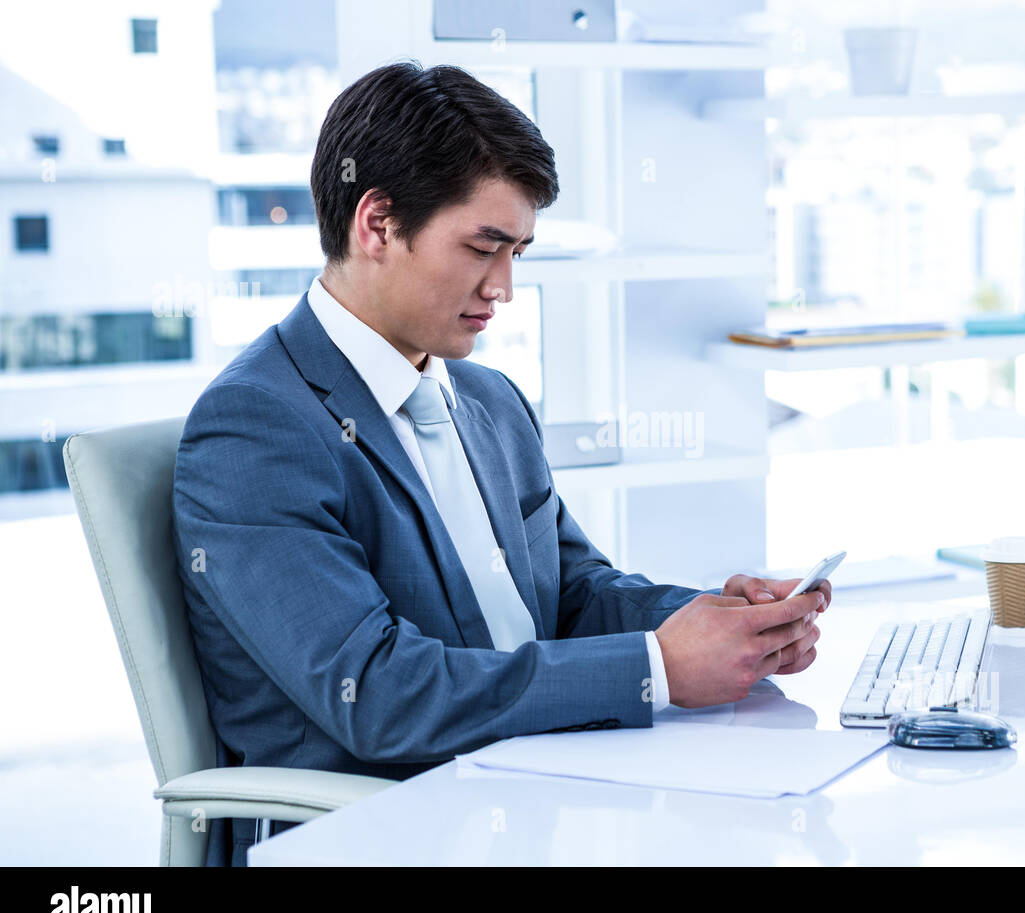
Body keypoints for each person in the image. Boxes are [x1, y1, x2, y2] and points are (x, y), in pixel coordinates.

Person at [171, 62, 829, 866]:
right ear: (376, 224)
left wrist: (722, 627)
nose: (505, 289)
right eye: (485, 248)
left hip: (529, 793)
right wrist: (660, 667)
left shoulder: (489, 400)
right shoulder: (257, 427)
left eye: (518, 251)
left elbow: (577, 595)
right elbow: (378, 695)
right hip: (381, 834)